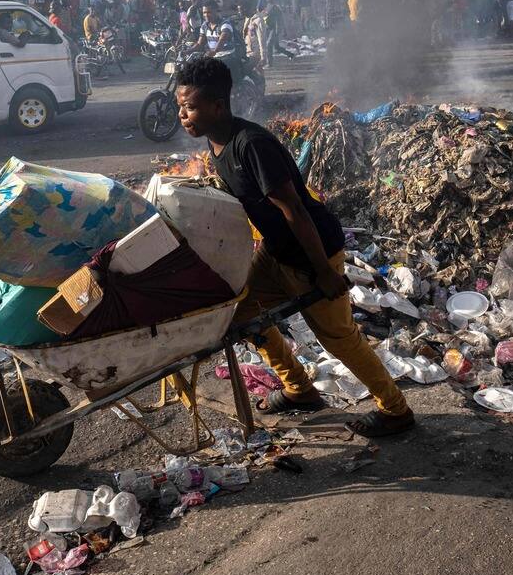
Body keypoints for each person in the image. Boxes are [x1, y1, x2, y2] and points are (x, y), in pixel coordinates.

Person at [174, 56, 415, 437]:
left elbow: (295, 210)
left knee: (339, 340)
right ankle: (300, 390)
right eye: (179, 107)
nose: (183, 115)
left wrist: (323, 271)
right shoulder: (215, 146)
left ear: (217, 105)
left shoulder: (251, 144)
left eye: (189, 106)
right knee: (242, 315)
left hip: (311, 248)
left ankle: (396, 410)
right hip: (276, 250)